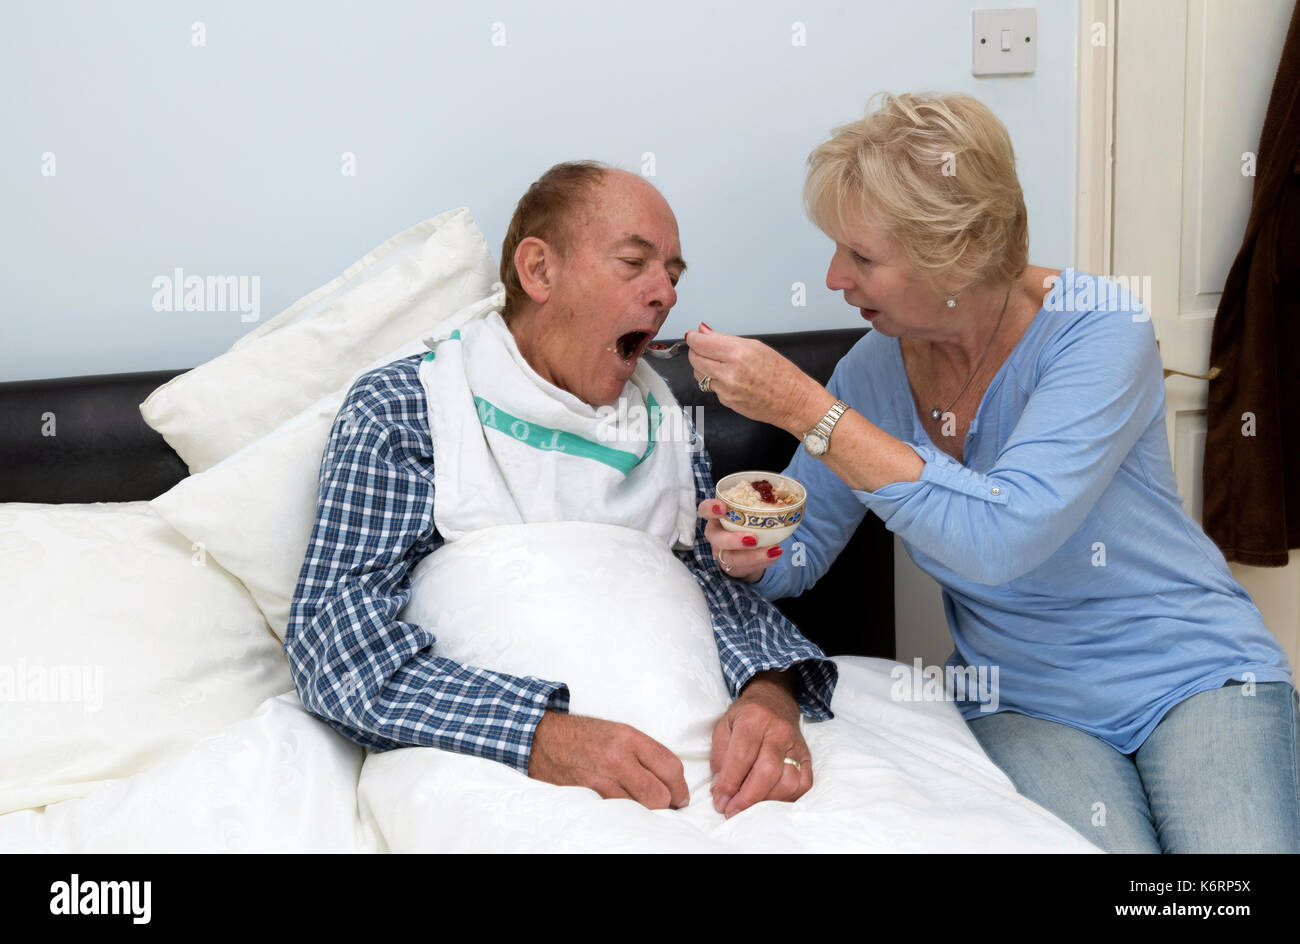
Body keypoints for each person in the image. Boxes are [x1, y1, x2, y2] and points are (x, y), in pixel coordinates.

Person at [687, 91, 1299, 853]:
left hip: (1193, 670)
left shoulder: (1097, 328)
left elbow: (1002, 534)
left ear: (961, 251)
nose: (835, 277)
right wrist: (753, 554)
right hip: (1023, 699)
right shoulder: (870, 371)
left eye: (863, 256)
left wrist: (806, 408)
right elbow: (804, 547)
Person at [284, 161, 836, 819]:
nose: (666, 292)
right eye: (635, 263)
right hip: (488, 772)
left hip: (688, 774)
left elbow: (708, 592)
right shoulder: (409, 406)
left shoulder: (666, 426)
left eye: (674, 274)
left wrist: (770, 694)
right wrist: (541, 734)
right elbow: (334, 648)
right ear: (539, 271)